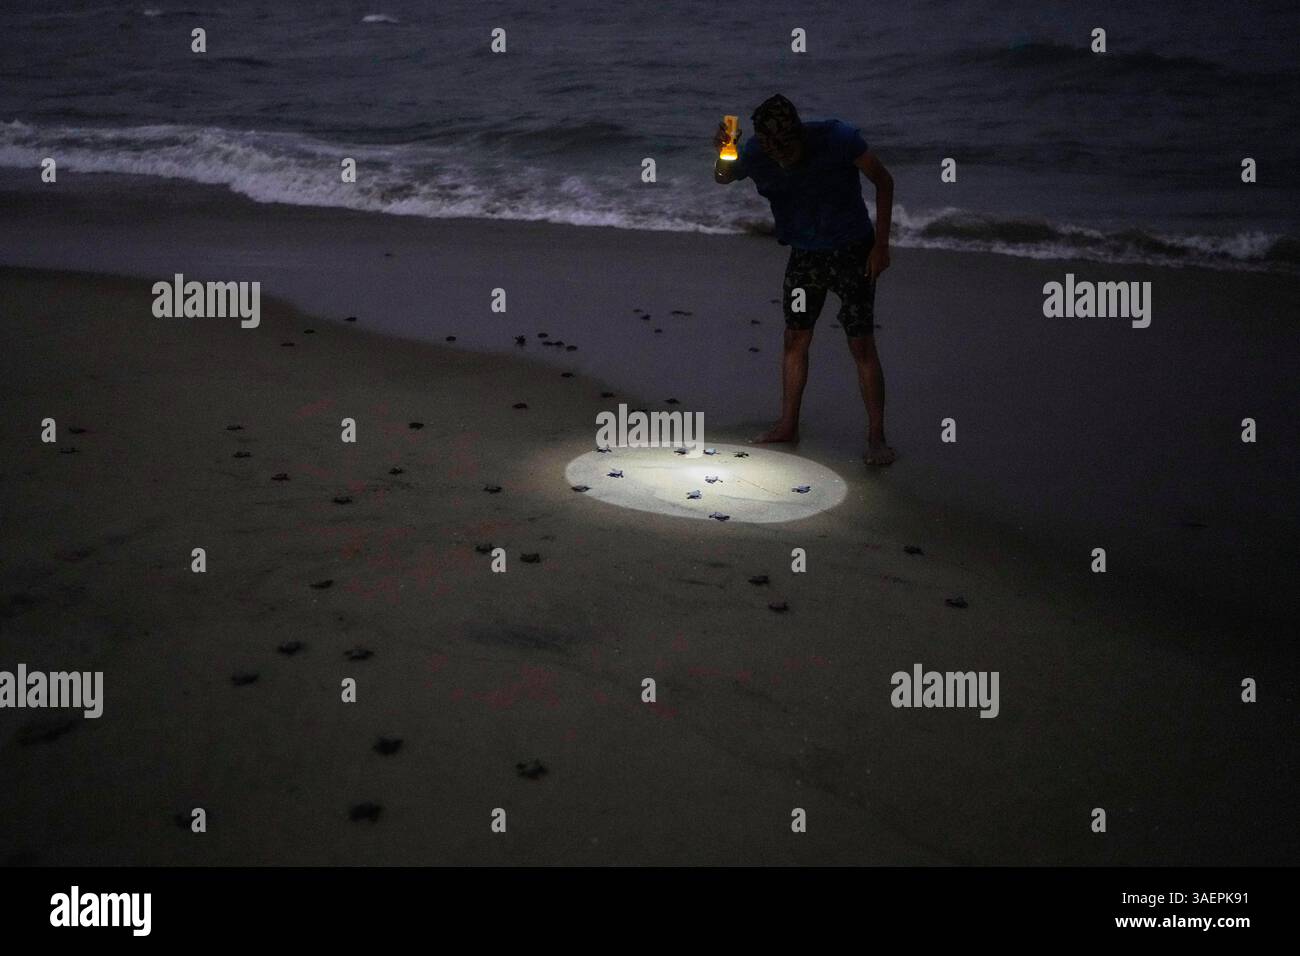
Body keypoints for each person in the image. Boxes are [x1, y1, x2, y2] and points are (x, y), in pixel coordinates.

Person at [713, 93, 896, 465]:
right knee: (795, 337)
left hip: (853, 254)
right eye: (775, 152)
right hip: (804, 257)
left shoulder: (838, 138)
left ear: (799, 133)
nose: (784, 158)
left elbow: (884, 182)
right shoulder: (756, 151)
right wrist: (725, 148)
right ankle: (787, 425)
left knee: (861, 345)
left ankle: (877, 438)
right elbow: (722, 177)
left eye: (789, 149)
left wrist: (881, 247)